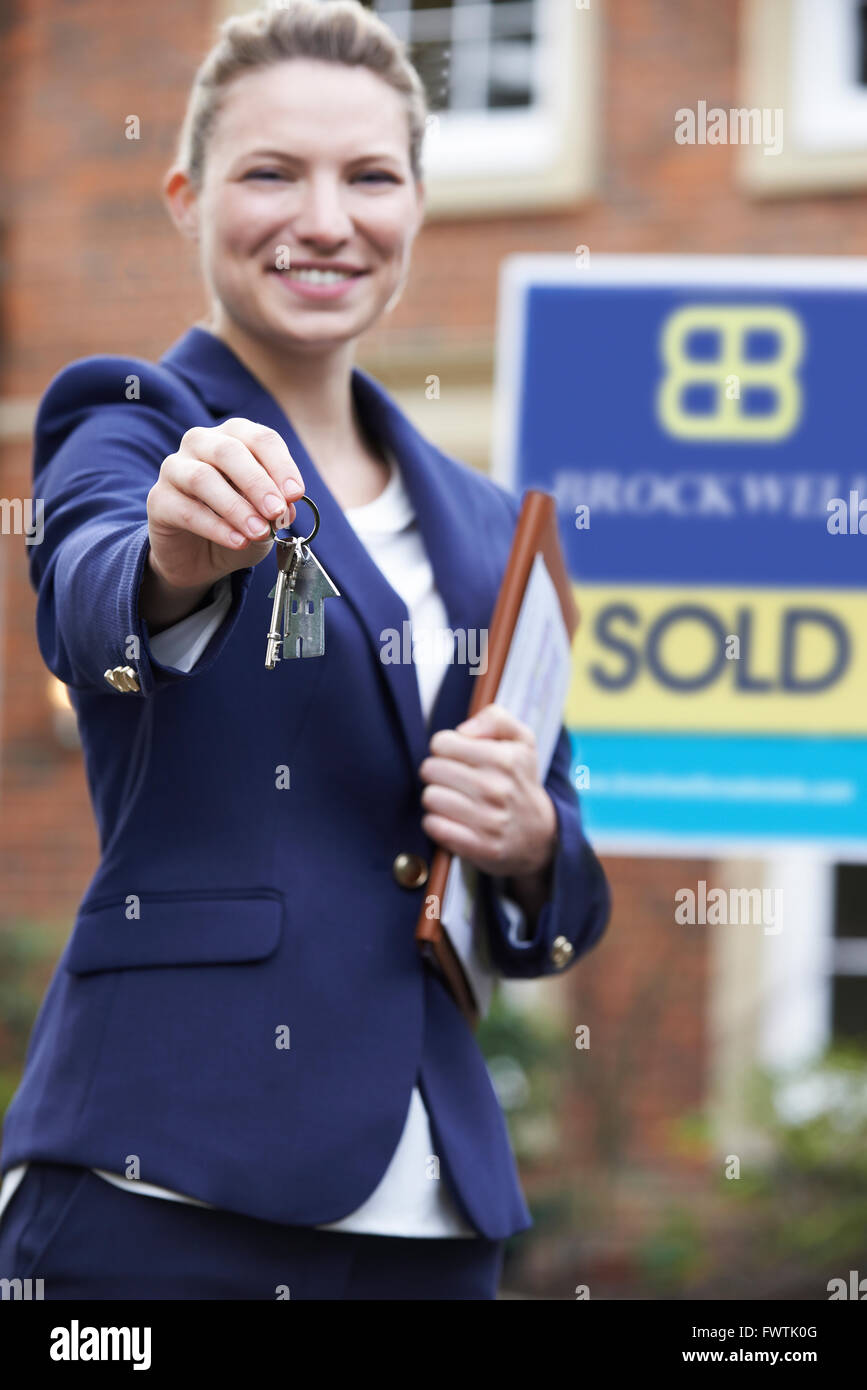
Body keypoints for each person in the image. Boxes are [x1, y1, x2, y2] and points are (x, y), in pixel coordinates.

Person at [0, 0, 610, 1300]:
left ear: (418, 205)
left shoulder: (496, 524)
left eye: (370, 176)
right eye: (271, 171)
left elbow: (565, 878)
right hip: (163, 1188)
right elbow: (93, 593)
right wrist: (179, 548)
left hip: (435, 1215)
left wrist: (530, 838)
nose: (324, 218)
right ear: (186, 194)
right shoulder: (127, 418)